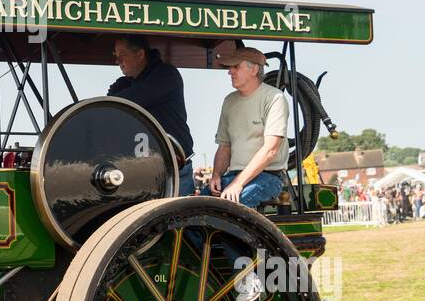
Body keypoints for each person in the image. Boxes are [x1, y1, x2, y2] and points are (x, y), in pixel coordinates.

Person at [108, 36, 195, 194]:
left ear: (140, 55)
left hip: (174, 171)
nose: (118, 61)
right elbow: (109, 108)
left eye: (122, 55)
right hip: (141, 172)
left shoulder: (166, 75)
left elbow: (130, 100)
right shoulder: (123, 84)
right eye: (116, 56)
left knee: (178, 218)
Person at [210, 47, 289, 210]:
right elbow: (224, 146)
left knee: (226, 210)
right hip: (233, 176)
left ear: (254, 70)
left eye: (236, 67)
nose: (230, 72)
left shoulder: (274, 98)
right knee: (193, 207)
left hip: (268, 177)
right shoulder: (229, 101)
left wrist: (237, 184)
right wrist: (216, 175)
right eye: (229, 67)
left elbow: (271, 150)